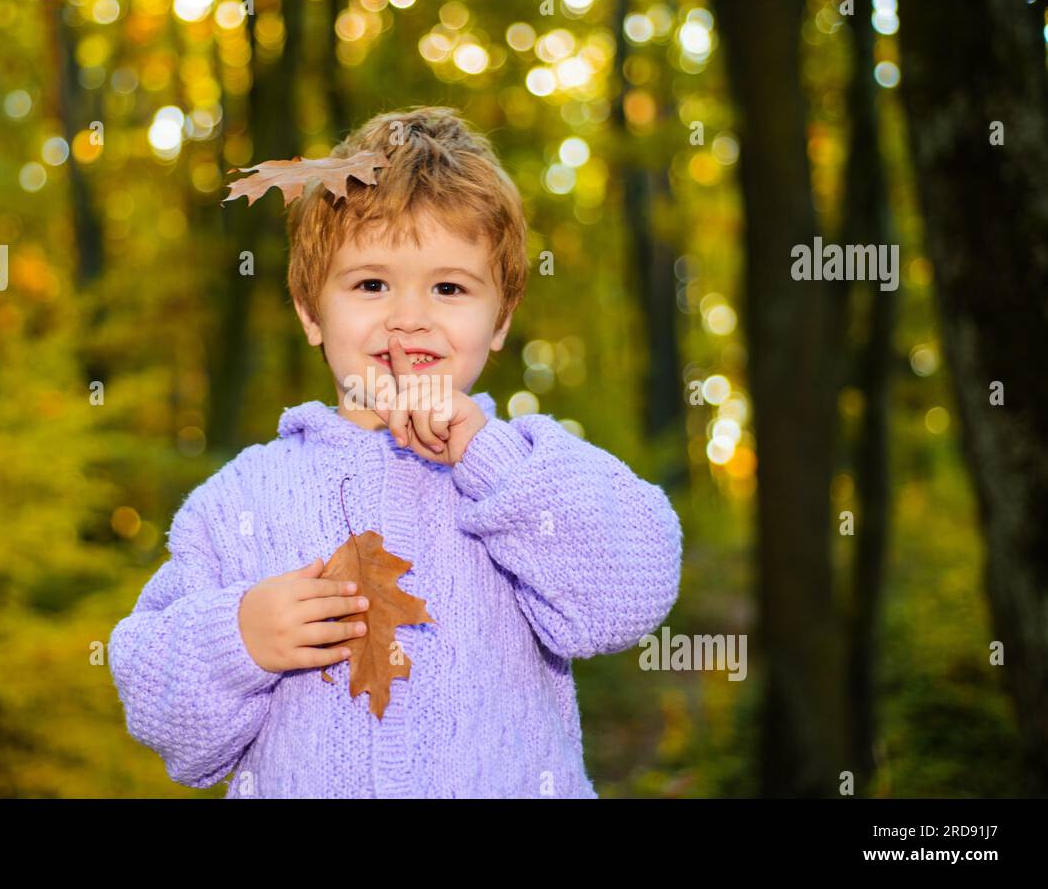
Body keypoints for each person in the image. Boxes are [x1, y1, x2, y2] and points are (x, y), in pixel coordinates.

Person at [108, 105, 683, 798]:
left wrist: (488, 456)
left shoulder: (527, 466)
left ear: (500, 319)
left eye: (448, 287)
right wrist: (239, 640)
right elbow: (158, 709)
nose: (409, 317)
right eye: (372, 284)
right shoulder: (241, 500)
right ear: (309, 309)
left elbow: (634, 590)